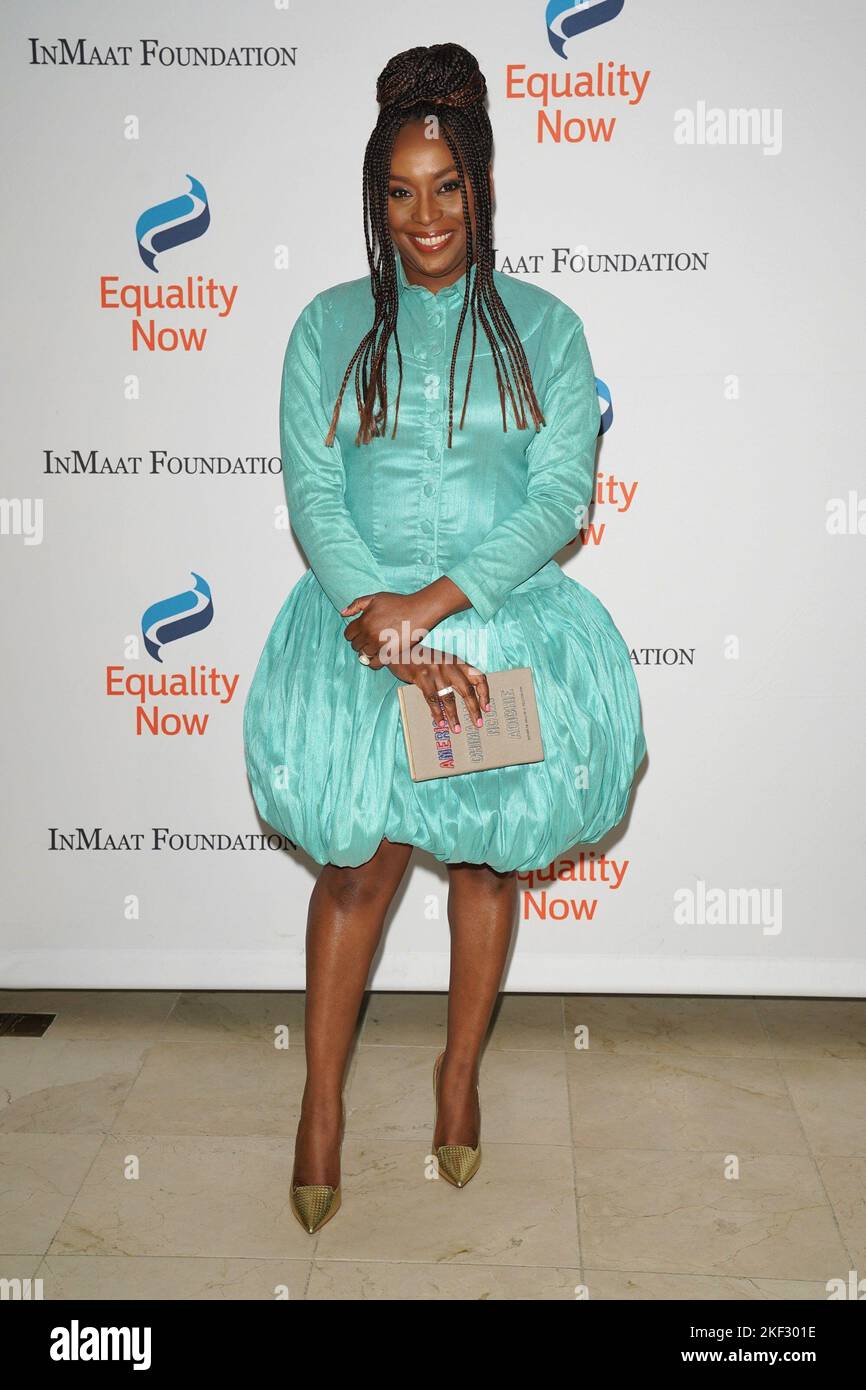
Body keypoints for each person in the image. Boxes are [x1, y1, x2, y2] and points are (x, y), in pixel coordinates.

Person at [243, 42, 646, 1233]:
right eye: (398, 192)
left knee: (479, 860)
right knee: (358, 869)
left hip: (488, 634)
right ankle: (320, 1102)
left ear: (481, 183)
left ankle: (455, 1074)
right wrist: (377, 613)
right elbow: (314, 492)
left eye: (446, 187)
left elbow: (558, 494)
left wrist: (440, 606)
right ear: (375, 200)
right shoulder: (324, 326)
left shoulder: (546, 329)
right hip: (356, 632)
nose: (424, 216)